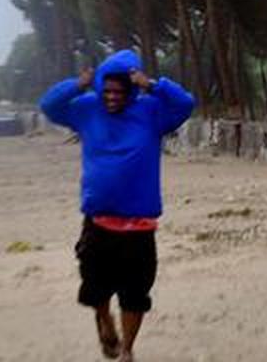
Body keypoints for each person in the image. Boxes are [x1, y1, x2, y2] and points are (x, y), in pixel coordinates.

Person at [39, 49, 195, 362]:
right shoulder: (86, 109)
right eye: (106, 91)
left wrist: (152, 84)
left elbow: (185, 104)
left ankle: (127, 350)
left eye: (119, 92)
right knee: (96, 286)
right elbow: (49, 106)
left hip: (139, 224)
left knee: (135, 294)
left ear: (132, 91)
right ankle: (105, 321)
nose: (111, 98)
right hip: (98, 220)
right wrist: (77, 85)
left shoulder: (152, 112)